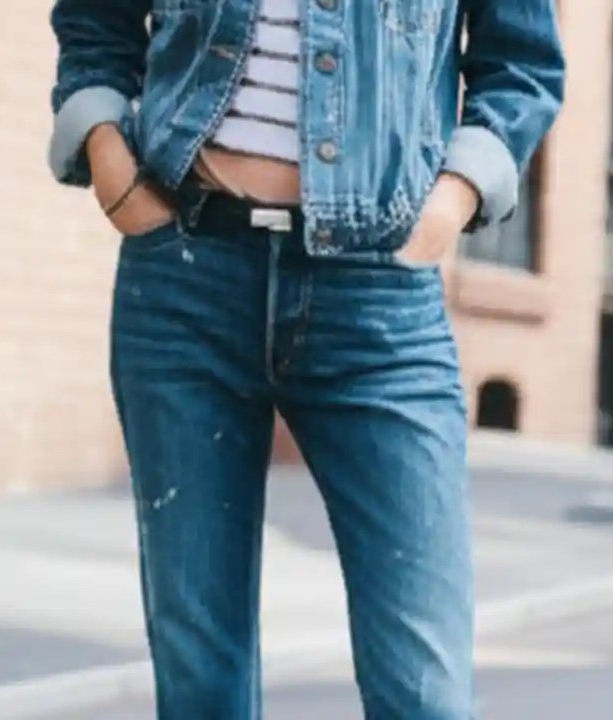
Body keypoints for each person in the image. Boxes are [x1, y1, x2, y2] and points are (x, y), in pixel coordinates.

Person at [48, 1, 564, 717]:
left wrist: (451, 200)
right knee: (201, 678)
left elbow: (523, 65)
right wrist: (111, 163)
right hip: (185, 272)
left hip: (379, 294)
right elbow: (95, 24)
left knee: (425, 691)